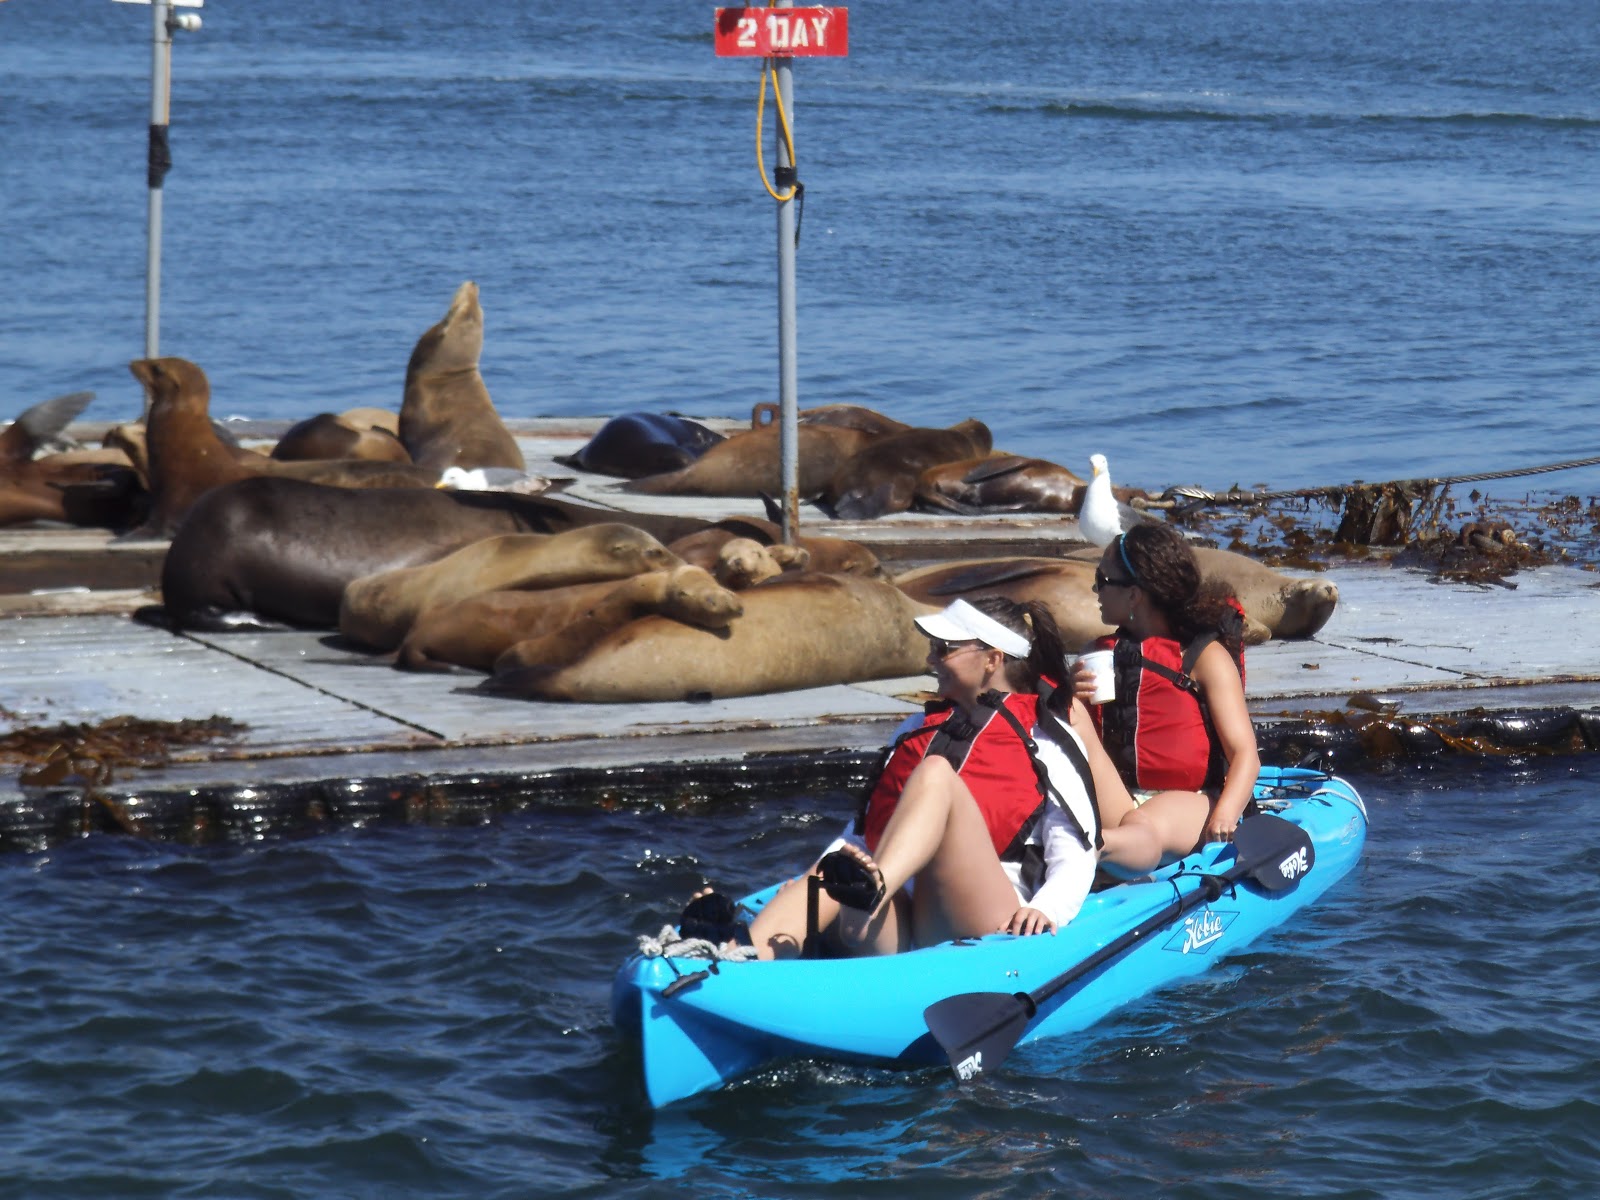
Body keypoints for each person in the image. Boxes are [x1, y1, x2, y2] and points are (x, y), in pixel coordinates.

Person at [683, 596, 1104, 960]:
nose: (930, 660)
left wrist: (1048, 909)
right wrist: (820, 877)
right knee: (832, 871)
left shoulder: (1045, 735)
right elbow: (862, 834)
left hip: (984, 918)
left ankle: (868, 894)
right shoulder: (914, 729)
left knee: (935, 774)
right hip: (896, 916)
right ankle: (740, 955)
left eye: (944, 649)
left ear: (993, 658)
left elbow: (1076, 848)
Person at [1072, 523, 1261, 872]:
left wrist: (1225, 815)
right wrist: (1068, 695)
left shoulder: (1204, 657)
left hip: (1193, 803)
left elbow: (1245, 754)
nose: (1096, 589)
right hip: (1121, 796)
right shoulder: (1095, 655)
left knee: (1144, 825)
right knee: (1069, 714)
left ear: (1134, 595)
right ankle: (1095, 848)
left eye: (1103, 579)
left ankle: (1091, 849)